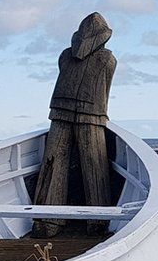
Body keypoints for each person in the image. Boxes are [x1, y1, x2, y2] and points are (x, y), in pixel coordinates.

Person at [34, 13, 116, 237]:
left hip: (59, 111)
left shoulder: (64, 56)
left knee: (53, 163)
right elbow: (105, 89)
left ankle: (47, 221)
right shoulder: (108, 59)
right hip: (92, 114)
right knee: (94, 165)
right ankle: (97, 221)